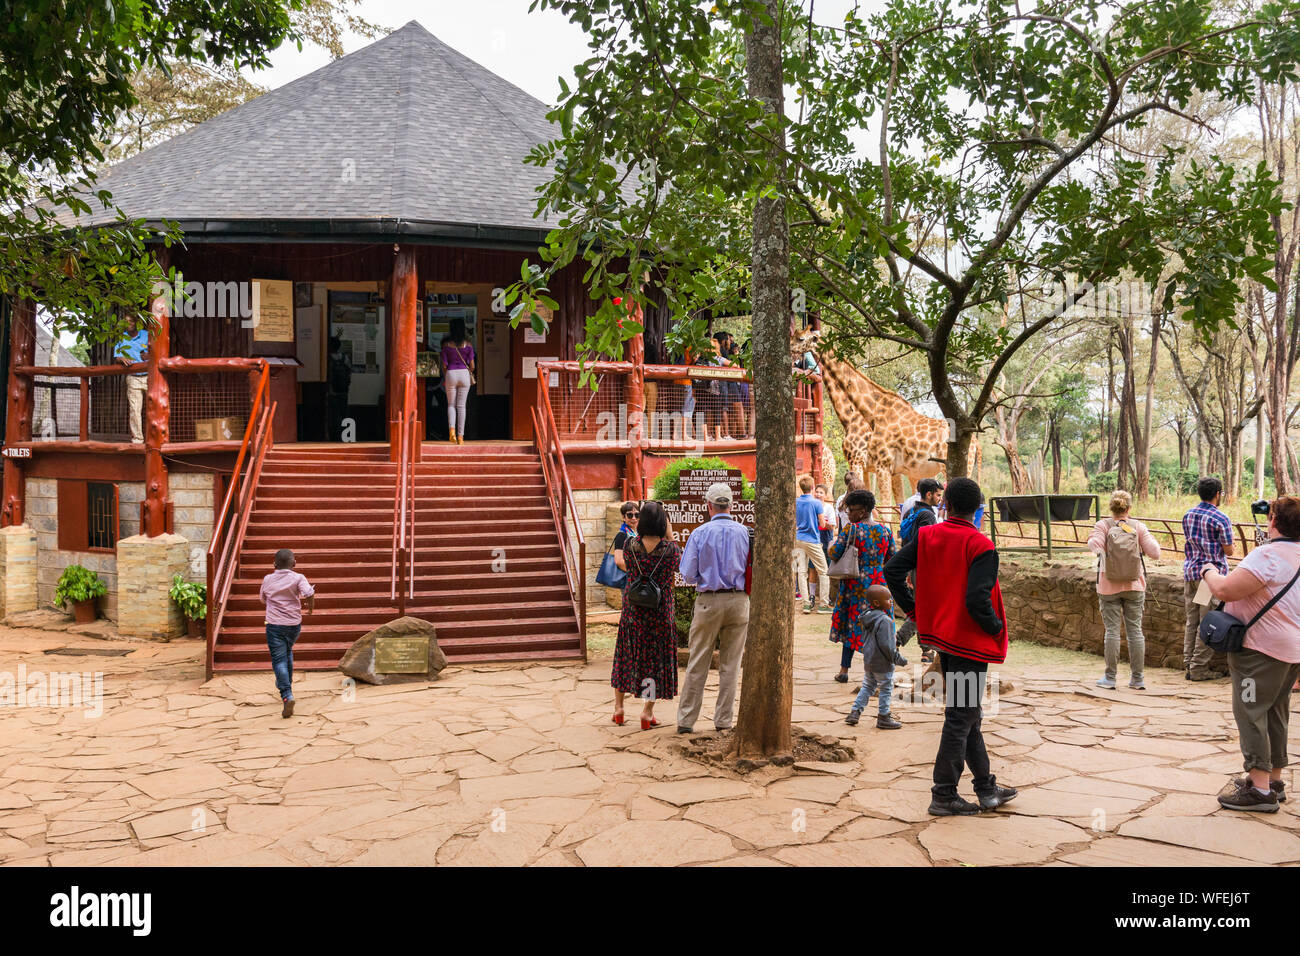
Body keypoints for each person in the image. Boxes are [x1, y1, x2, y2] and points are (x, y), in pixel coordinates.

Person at [885, 477, 1017, 816]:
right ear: (977, 510)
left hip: (945, 638)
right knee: (961, 716)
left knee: (967, 713)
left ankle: (987, 789)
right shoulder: (981, 545)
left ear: (947, 505)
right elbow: (977, 600)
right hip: (970, 643)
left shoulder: (928, 536)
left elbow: (893, 569)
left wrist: (915, 609)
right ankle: (943, 794)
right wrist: (995, 625)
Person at [1201, 496, 1300, 812]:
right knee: (1275, 711)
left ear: (1272, 521)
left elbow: (1227, 590)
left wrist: (1207, 572)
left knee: (1250, 711)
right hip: (1290, 651)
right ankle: (1273, 779)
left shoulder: (1268, 556)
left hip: (1260, 651)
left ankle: (1258, 788)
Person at [677, 482, 750, 733]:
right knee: (731, 665)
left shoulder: (699, 533)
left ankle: (686, 721)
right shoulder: (745, 533)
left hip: (709, 600)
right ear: (731, 505)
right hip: (739, 600)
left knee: (698, 660)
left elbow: (687, 575)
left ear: (709, 505)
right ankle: (723, 721)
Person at [611, 500, 680, 730]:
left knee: (626, 656)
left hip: (633, 611)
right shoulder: (670, 550)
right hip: (660, 614)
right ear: (662, 523)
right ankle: (646, 712)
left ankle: (619, 709)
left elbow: (625, 565)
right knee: (653, 662)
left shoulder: (630, 545)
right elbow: (676, 563)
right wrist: (669, 534)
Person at [1087, 490, 1162, 690]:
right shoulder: (1138, 527)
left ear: (1111, 508)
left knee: (1112, 631)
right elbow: (1155, 553)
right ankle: (1137, 679)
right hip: (1135, 585)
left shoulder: (1102, 525)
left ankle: (1110, 678)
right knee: (1135, 632)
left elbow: (1094, 545)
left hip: (1108, 586)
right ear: (1129, 508)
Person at [829, 489, 897, 684]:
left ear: (863, 510)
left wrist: (832, 544)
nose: (848, 514)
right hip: (879, 583)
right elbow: (892, 557)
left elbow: (834, 553)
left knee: (852, 624)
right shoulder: (885, 530)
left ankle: (844, 670)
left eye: (851, 510)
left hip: (855, 584)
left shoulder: (852, 530)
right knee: (880, 626)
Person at [1182, 476, 1235, 680]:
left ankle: (1188, 663)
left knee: (1192, 620)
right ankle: (1198, 668)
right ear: (1218, 494)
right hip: (1209, 578)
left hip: (1191, 572)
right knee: (1207, 622)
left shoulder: (1188, 515)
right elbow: (1229, 550)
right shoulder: (1220, 518)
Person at [259, 548, 315, 718]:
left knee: (278, 660)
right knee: (287, 650)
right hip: (293, 624)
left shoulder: (268, 579)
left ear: (274, 564)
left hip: (274, 624)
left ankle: (286, 694)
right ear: (294, 563)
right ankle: (287, 683)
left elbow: (262, 599)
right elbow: (309, 593)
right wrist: (310, 609)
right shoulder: (298, 577)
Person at [898, 477, 943, 662]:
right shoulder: (928, 516)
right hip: (924, 567)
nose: (940, 499)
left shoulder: (911, 510)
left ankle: (926, 650)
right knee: (923, 609)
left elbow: (906, 540)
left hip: (913, 565)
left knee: (922, 607)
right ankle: (897, 639)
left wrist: (910, 569)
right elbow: (926, 544)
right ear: (929, 494)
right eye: (938, 495)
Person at [845, 584, 902, 729]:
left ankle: (855, 712)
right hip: (883, 662)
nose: (891, 602)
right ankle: (884, 717)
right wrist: (897, 658)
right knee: (886, 688)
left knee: (868, 686)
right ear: (877, 603)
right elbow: (887, 646)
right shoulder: (886, 621)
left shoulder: (866, 617)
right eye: (888, 599)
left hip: (869, 660)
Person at [794, 475, 833, 615]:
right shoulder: (816, 503)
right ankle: (823, 604)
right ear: (812, 488)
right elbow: (822, 523)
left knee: (802, 572)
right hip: (812, 540)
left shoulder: (796, 501)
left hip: (798, 539)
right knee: (823, 571)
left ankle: (806, 603)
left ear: (801, 488)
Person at [440, 317, 475, 445]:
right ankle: (461, 437)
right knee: (462, 407)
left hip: (451, 374)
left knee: (451, 405)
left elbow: (444, 365)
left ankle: (452, 431)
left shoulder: (446, 345)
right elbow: (472, 366)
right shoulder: (468, 345)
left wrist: (447, 374)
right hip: (464, 375)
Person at [115, 319, 149, 443]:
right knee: (135, 410)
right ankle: (138, 439)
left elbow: (156, 351)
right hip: (133, 377)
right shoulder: (121, 338)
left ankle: (154, 438)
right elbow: (116, 357)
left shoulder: (146, 334)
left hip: (149, 376)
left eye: (131, 321)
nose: (128, 324)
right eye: (125, 322)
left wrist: (150, 356)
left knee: (153, 407)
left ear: (136, 323)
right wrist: (121, 358)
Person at [326, 335, 352, 441]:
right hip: (343, 392)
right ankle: (344, 437)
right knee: (343, 414)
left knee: (333, 416)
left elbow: (328, 376)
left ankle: (333, 437)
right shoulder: (344, 358)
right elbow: (349, 373)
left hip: (332, 392)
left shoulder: (328, 358)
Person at [612, 501, 640, 571]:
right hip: (628, 576)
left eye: (636, 515)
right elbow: (619, 561)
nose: (634, 518)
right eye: (630, 515)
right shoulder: (622, 535)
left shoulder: (638, 533)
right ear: (624, 517)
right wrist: (634, 574)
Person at [816, 483, 835, 561]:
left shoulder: (829, 508)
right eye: (816, 492)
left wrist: (821, 518)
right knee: (812, 567)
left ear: (825, 495)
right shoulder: (811, 506)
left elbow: (832, 527)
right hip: (814, 540)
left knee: (827, 565)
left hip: (826, 540)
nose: (818, 494)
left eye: (821, 493)